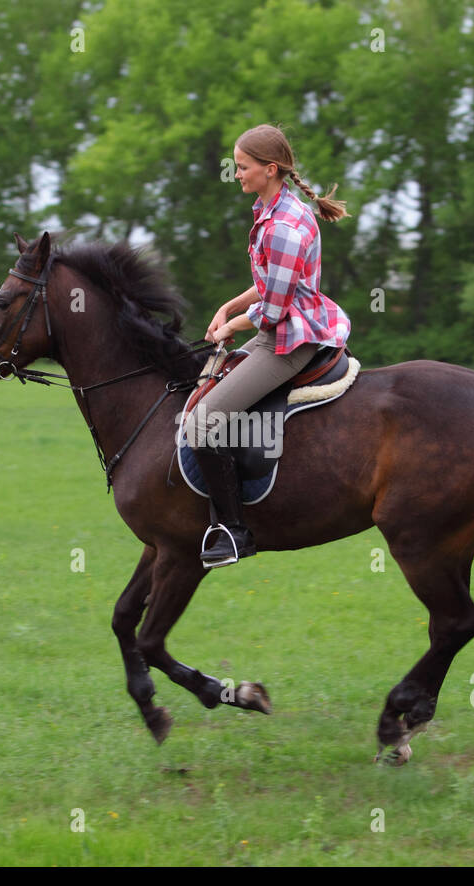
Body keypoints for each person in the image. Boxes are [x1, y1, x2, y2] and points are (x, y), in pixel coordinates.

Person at [182, 124, 352, 568]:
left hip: (286, 343)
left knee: (201, 424)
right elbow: (268, 283)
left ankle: (233, 532)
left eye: (242, 167)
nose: (236, 174)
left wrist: (229, 327)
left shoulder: (284, 226)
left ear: (270, 169)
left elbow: (274, 310)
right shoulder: (273, 210)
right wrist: (228, 306)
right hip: (276, 330)